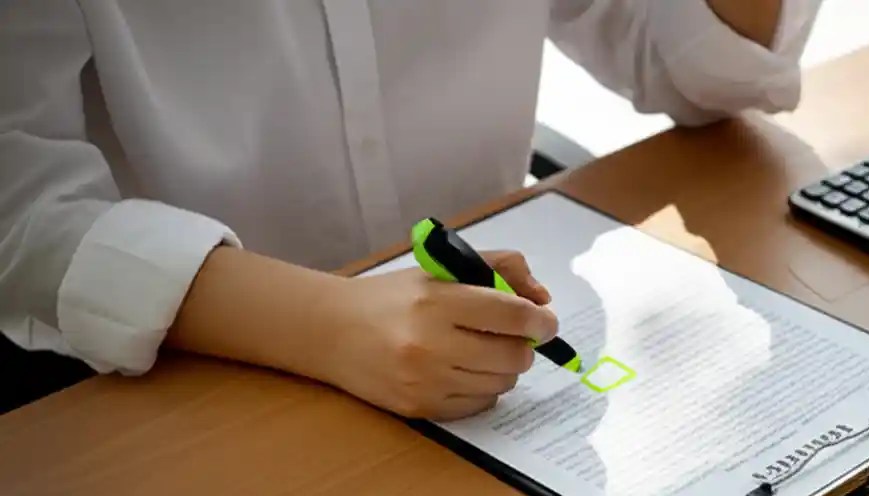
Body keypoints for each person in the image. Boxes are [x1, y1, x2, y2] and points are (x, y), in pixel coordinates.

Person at [0, 1, 820, 419]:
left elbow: (703, 73)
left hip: (496, 376)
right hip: (192, 392)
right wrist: (326, 324)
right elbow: (21, 215)